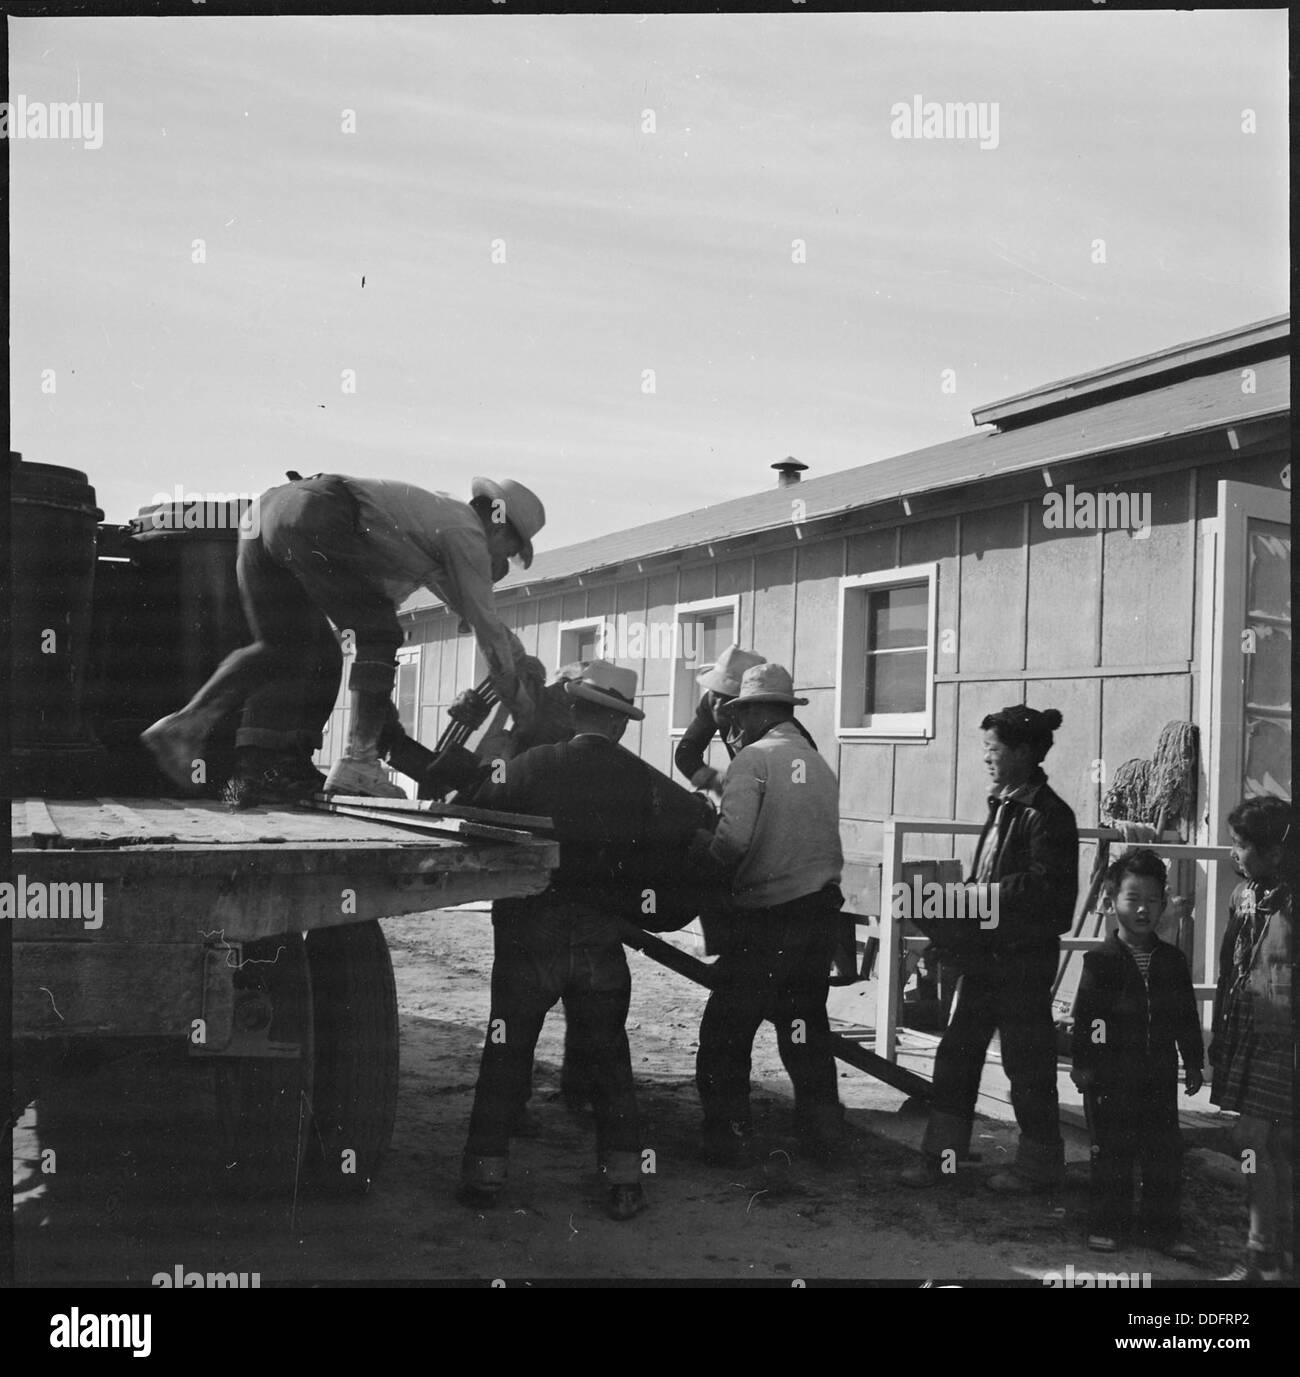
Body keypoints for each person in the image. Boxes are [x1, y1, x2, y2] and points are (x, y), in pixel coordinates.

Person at [460, 661, 709, 1221]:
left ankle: (485, 1176)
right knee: (610, 1059)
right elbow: (699, 822)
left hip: (530, 929)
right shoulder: (644, 779)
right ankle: (624, 1180)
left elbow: (469, 808)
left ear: (573, 711)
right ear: (620, 726)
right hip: (600, 936)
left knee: (506, 1051)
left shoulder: (531, 765)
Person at [140, 473, 544, 804]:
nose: (505, 561)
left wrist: (384, 723)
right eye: (511, 550)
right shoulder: (466, 532)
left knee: (279, 646)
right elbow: (486, 625)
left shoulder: (427, 529)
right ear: (497, 522)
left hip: (264, 514)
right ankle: (359, 762)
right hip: (315, 510)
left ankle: (183, 725)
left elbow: (466, 614)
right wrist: (524, 708)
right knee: (381, 631)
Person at [900, 704, 1078, 1194]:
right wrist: (953, 928)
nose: (986, 758)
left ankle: (1041, 1166)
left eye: (992, 750)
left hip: (1022, 962)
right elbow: (989, 882)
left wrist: (978, 897)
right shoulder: (1004, 804)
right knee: (957, 1055)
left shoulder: (1051, 816)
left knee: (1028, 1064)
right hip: (985, 958)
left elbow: (1053, 900)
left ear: (1023, 753)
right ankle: (942, 1160)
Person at [691, 663, 847, 1166]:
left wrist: (700, 862)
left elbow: (733, 843)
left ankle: (727, 1137)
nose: (736, 724)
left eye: (740, 713)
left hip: (768, 920)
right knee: (804, 1029)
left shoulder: (753, 761)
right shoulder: (818, 763)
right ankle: (823, 1136)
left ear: (757, 710)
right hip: (819, 915)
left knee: (725, 1033)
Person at [1071, 849, 1203, 1257]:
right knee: (1112, 1152)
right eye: (1133, 899)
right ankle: (1108, 1224)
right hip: (1111, 1077)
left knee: (1164, 1153)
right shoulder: (1100, 961)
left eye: (1152, 899)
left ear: (1164, 903)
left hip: (1159, 1075)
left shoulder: (1173, 961)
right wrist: (1084, 1064)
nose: (1143, 909)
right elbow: (1088, 1019)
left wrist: (1193, 1060)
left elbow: (1185, 1015)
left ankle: (1161, 1230)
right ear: (1111, 904)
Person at [1210, 795, 1294, 1283]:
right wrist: (1222, 1030)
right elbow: (1227, 967)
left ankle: (1262, 1253)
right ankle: (1274, 1254)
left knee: (1252, 1139)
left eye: (1242, 846)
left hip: (1281, 1035)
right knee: (1270, 1142)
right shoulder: (1242, 897)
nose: (1233, 853)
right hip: (1245, 1026)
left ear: (1276, 852)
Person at [674, 645, 766, 791]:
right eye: (716, 694)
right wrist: (716, 780)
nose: (717, 706)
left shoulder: (773, 720)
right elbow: (686, 753)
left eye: (728, 697)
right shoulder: (710, 702)